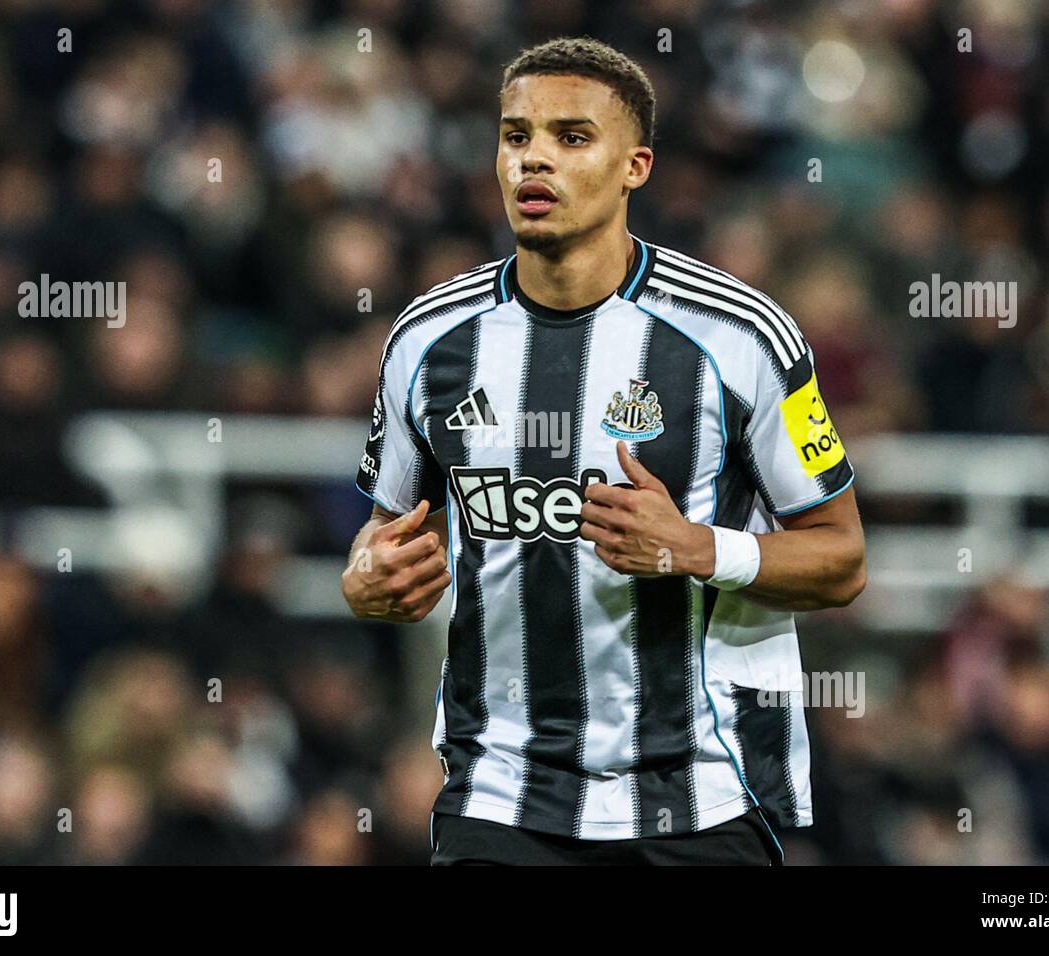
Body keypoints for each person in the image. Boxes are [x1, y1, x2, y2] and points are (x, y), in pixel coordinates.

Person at [341, 37, 866, 865]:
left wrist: (700, 548)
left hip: (700, 792)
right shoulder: (426, 340)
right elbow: (384, 540)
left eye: (571, 137)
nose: (533, 160)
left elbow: (842, 560)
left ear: (636, 166)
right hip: (499, 793)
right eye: (516, 137)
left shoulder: (743, 337)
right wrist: (368, 579)